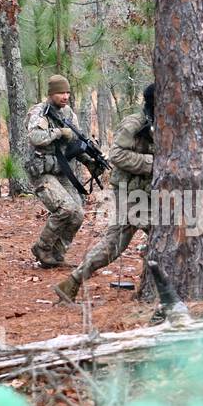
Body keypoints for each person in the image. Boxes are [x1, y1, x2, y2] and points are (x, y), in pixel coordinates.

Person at [54, 84, 155, 303]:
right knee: (157, 233)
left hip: (147, 192)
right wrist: (154, 164)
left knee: (115, 244)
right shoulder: (134, 124)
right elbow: (117, 155)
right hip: (130, 194)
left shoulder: (163, 123)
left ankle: (72, 282)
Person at [25, 73, 97, 268]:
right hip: (42, 171)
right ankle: (42, 247)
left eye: (67, 92)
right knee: (65, 208)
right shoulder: (40, 112)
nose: (65, 96)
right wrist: (58, 132)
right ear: (51, 94)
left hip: (62, 170)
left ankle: (56, 255)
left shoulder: (68, 114)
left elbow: (73, 145)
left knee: (78, 214)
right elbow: (35, 137)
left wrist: (89, 161)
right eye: (60, 93)